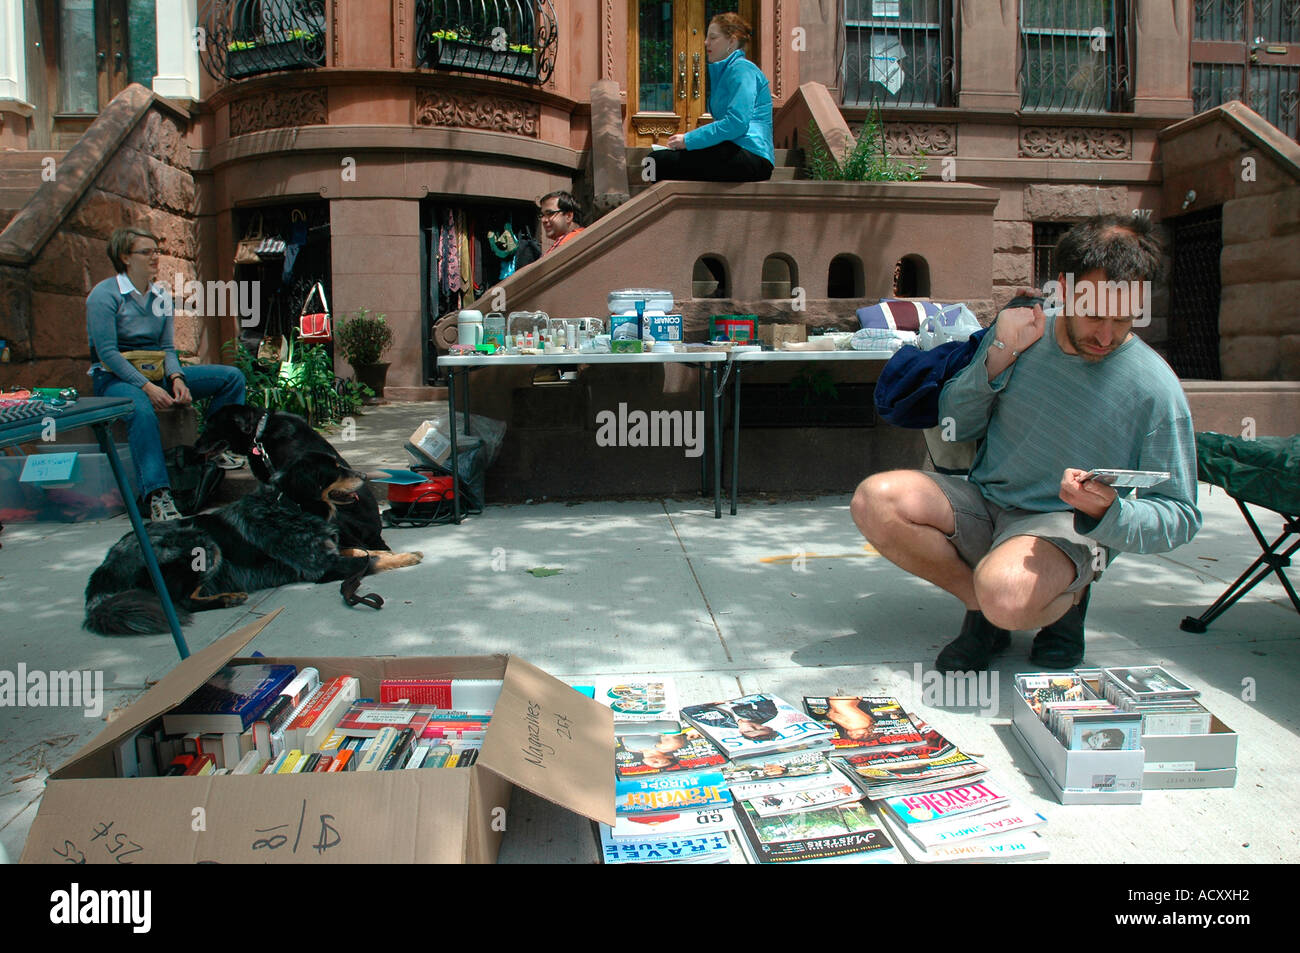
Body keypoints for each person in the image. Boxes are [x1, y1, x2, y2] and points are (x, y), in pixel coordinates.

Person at [851, 213, 1201, 672]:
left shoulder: (1155, 386)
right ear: (1064, 286)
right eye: (1094, 313)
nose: (1106, 335)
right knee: (874, 499)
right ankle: (984, 609)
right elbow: (957, 421)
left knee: (1007, 593)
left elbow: (1180, 513)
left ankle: (1058, 601)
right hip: (986, 502)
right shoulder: (1021, 333)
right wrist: (999, 357)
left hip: (1063, 526)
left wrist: (1107, 513)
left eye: (1124, 319)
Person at [87, 226, 248, 521]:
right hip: (114, 378)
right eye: (146, 252)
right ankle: (157, 495)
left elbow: (167, 348)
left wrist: (176, 378)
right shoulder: (104, 295)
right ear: (124, 257)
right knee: (141, 409)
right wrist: (147, 388)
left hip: (157, 371)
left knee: (231, 377)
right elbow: (107, 353)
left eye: (156, 251)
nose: (155, 258)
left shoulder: (160, 295)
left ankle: (213, 448)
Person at [652, 13, 774, 183]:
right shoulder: (727, 72)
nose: (705, 42)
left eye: (713, 37)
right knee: (656, 161)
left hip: (752, 155)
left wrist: (689, 139)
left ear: (731, 41)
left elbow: (736, 123)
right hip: (734, 150)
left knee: (656, 162)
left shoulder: (742, 70)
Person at [539, 191, 585, 256]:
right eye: (542, 215)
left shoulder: (568, 241)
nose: (543, 220)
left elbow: (543, 265)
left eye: (550, 213)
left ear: (568, 216)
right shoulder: (583, 235)